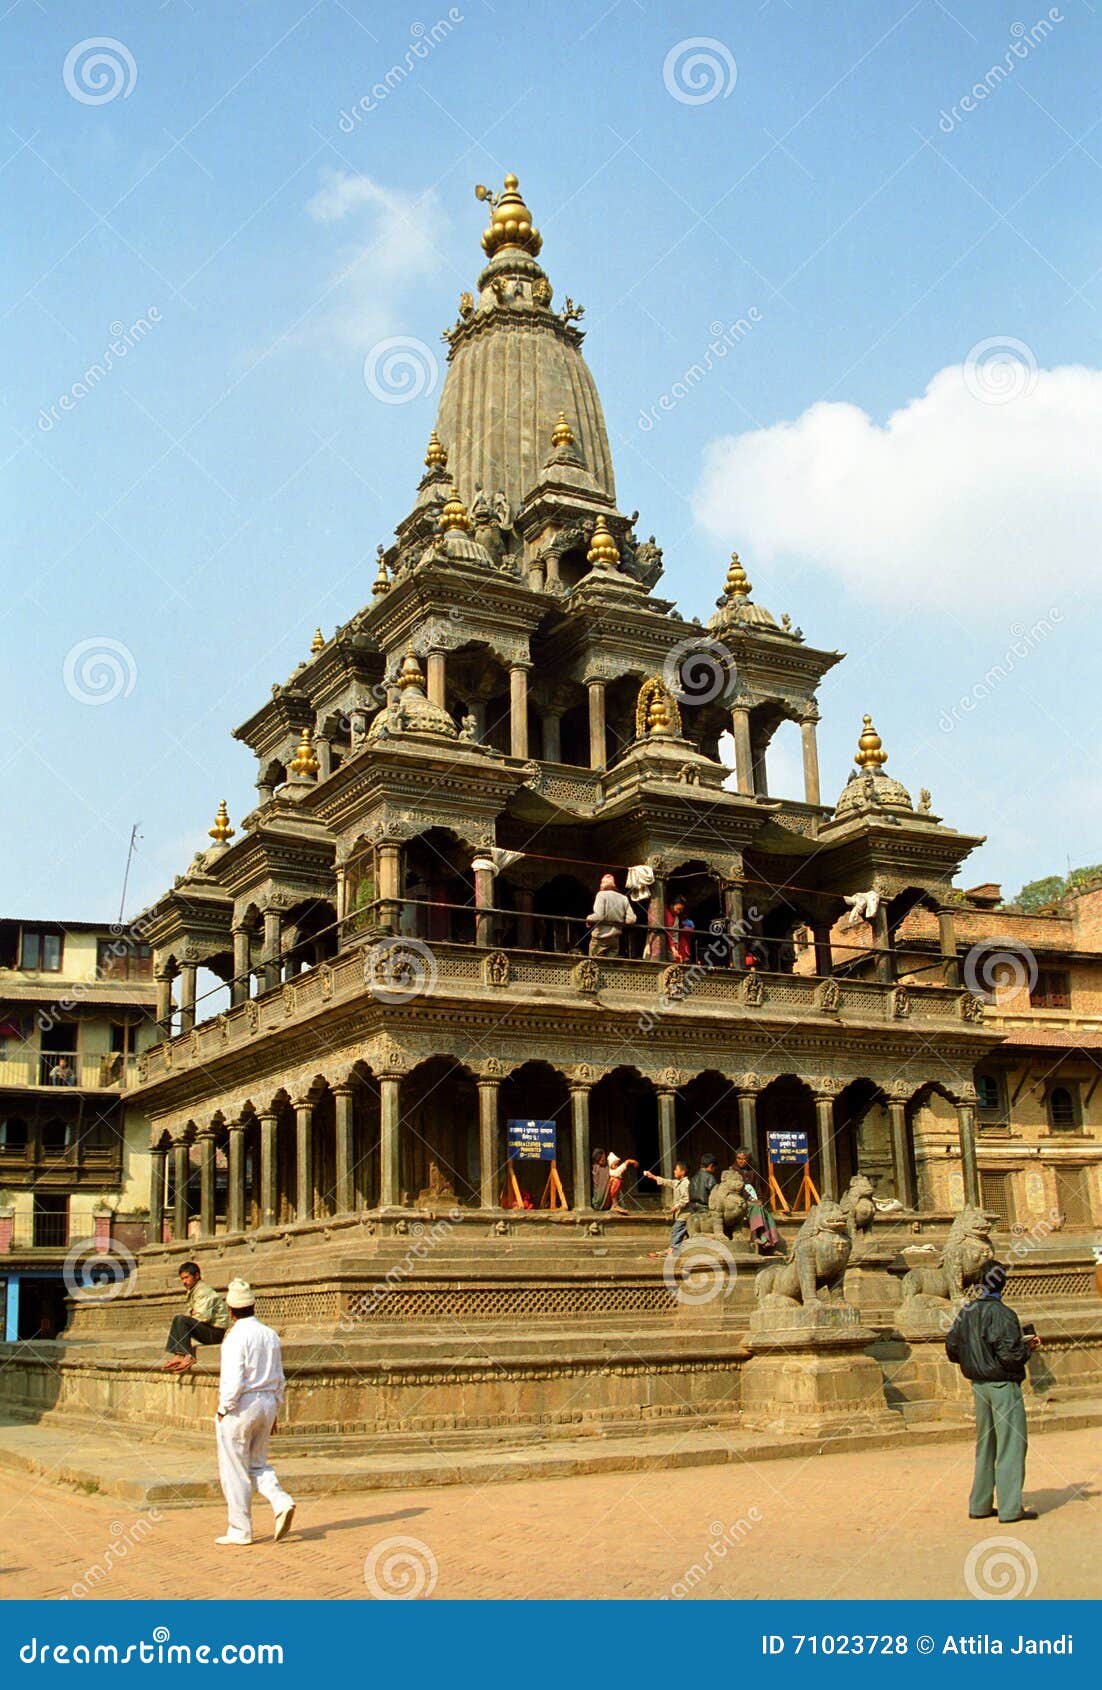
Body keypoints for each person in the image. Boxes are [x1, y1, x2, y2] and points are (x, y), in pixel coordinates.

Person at [945, 1261, 1042, 1523]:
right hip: (1003, 1385)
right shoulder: (1003, 1314)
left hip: (979, 1386)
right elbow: (1010, 1355)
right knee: (1011, 1445)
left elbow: (952, 1348)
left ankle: (980, 1504)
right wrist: (1027, 1348)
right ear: (1003, 1284)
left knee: (986, 1446)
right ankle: (1010, 1508)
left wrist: (976, 1359)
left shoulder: (967, 1311)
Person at [215, 1277, 295, 1547]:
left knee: (235, 1468)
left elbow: (233, 1380)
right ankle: (281, 1500)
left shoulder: (235, 1337)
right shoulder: (269, 1334)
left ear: (230, 1309)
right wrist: (276, 1408)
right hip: (268, 1402)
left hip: (242, 1405)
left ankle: (240, 1529)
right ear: (252, 1306)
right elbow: (279, 1375)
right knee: (258, 1463)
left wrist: (224, 1409)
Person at [161, 1262, 229, 1373]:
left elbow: (202, 1317)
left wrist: (192, 1313)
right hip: (208, 1329)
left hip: (215, 1334)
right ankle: (179, 1355)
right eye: (182, 1279)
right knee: (177, 1319)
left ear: (196, 1276)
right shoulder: (194, 1290)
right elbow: (194, 1313)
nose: (184, 1281)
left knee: (182, 1320)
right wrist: (192, 1312)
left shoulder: (203, 1291)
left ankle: (188, 1356)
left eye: (186, 1277)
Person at [733, 1146, 780, 1254]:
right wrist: (748, 1200)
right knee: (755, 1209)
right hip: (740, 1203)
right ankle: (754, 1236)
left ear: (748, 1159)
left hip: (753, 1202)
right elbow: (734, 1190)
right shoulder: (733, 1171)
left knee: (767, 1215)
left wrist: (761, 1201)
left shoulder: (753, 1172)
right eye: (739, 1158)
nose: (741, 1161)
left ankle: (771, 1245)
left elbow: (758, 1190)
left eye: (743, 1159)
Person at [586, 873, 636, 958]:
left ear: (602, 885)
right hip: (614, 940)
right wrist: (620, 921)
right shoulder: (623, 898)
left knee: (595, 966)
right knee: (610, 967)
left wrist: (588, 919)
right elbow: (631, 919)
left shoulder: (601, 895)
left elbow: (599, 916)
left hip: (600, 938)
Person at [644, 1160, 690, 1254]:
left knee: (676, 1230)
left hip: (684, 1214)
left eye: (676, 1170)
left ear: (683, 1172)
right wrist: (652, 1176)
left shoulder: (686, 1184)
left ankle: (674, 1248)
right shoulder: (677, 1182)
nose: (674, 1171)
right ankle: (677, 1248)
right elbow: (666, 1182)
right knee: (681, 1231)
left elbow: (686, 1199)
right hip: (679, 1214)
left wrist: (676, 1207)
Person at [647, 897, 692, 963]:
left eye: (681, 910)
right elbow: (668, 933)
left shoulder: (676, 917)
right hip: (668, 945)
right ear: (671, 906)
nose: (679, 912)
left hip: (674, 944)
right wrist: (673, 949)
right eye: (678, 909)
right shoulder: (667, 915)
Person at [607, 1149, 638, 1214]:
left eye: (617, 1165)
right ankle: (614, 1205)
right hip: (613, 1187)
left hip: (616, 1188)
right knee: (616, 1181)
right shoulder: (613, 1172)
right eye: (615, 1165)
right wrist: (629, 1161)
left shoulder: (614, 1171)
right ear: (611, 1165)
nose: (617, 1166)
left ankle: (615, 1205)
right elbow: (620, 1169)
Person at [688, 1154, 718, 1221]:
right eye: (714, 1167)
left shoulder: (693, 1177)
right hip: (705, 1210)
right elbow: (715, 1196)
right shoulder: (710, 1178)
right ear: (711, 1166)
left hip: (692, 1210)